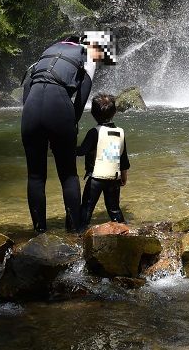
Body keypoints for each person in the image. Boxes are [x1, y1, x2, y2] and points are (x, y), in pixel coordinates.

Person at [20, 29, 116, 233]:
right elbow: (82, 96)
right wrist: (70, 123)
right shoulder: (89, 55)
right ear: (97, 48)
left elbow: (28, 87)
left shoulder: (50, 51)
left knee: (35, 176)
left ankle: (39, 233)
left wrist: (31, 114)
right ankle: (74, 231)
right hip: (58, 109)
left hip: (30, 109)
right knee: (69, 175)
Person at [77, 93, 130, 229]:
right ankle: (123, 230)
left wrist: (65, 148)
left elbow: (82, 151)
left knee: (87, 208)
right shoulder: (120, 132)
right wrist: (124, 176)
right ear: (114, 112)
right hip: (114, 178)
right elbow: (123, 158)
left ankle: (80, 233)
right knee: (114, 209)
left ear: (93, 113)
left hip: (96, 178)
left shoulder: (94, 132)